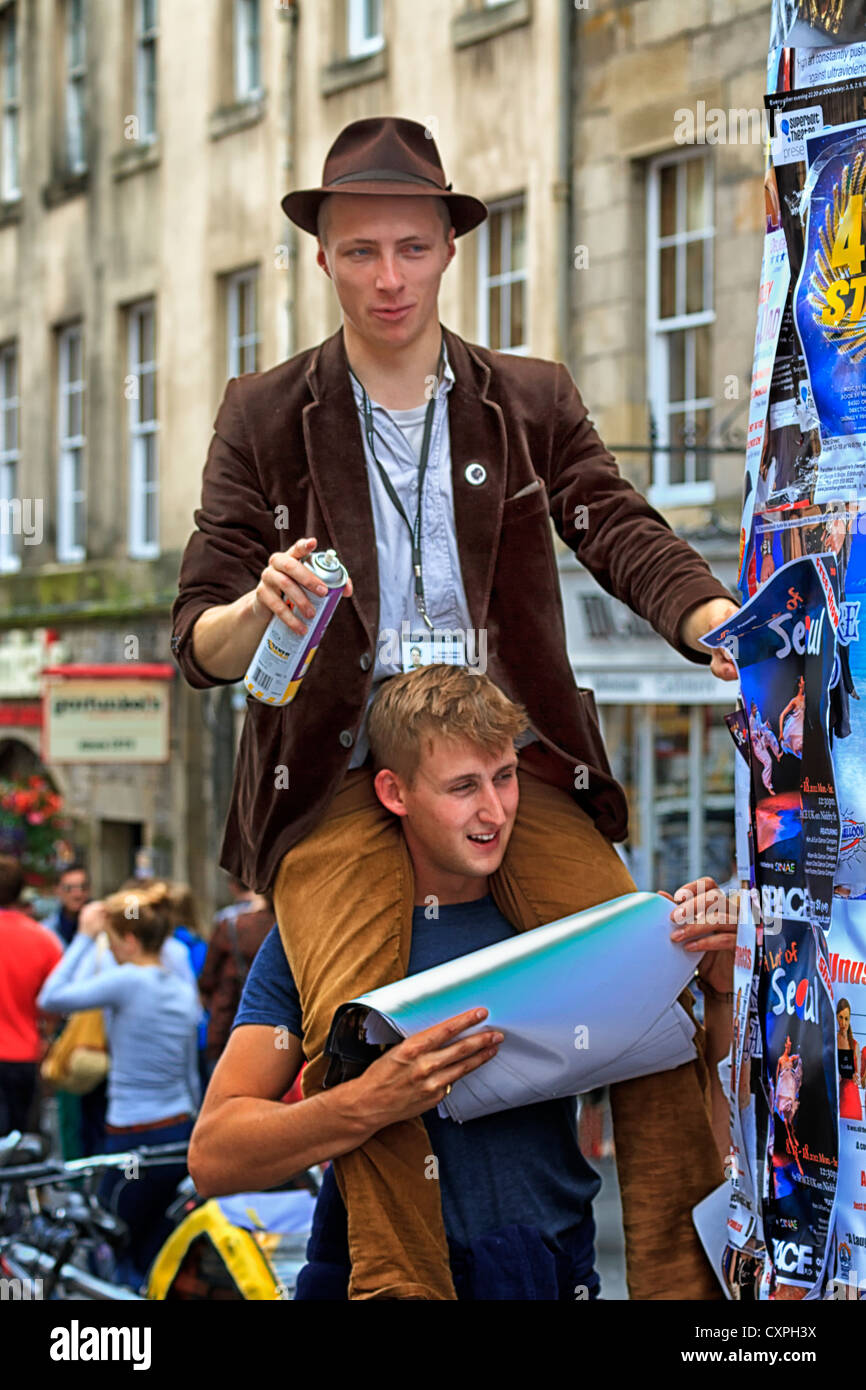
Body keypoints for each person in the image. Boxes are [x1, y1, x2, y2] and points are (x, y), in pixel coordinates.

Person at [171, 116, 740, 1300]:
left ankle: (697, 1305)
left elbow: (614, 523)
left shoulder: (524, 397)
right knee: (370, 1032)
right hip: (334, 779)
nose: (388, 277)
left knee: (648, 981)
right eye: (362, 250)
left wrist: (709, 623)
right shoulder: (264, 412)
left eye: (411, 248)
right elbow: (198, 636)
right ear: (321, 255)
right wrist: (254, 610)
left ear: (447, 251)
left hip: (503, 756)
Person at [190, 667, 736, 1299]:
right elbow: (214, 1157)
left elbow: (713, 1146)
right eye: (462, 787)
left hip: (554, 1272)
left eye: (504, 777)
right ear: (394, 792)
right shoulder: (320, 935)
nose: (493, 810)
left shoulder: (567, 921)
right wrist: (367, 1103)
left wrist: (715, 992)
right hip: (372, 1277)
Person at [37, 881, 202, 1288]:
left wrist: (81, 938)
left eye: (110, 942)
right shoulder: (183, 991)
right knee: (155, 1253)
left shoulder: (128, 981)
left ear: (129, 940)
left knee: (110, 1250)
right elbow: (190, 1074)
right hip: (177, 1135)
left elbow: (50, 998)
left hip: (132, 1138)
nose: (107, 950)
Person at [0, 855, 63, 1135]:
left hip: (21, 1055)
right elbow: (57, 1003)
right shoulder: (44, 940)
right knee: (21, 1147)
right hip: (24, 1057)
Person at [198, 890, 274, 1073]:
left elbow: (207, 980)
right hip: (280, 1033)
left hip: (229, 1024)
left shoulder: (232, 926)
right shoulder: (290, 928)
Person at [41, 861, 90, 947]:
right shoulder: (45, 931)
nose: (78, 894)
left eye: (83, 887)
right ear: (56, 890)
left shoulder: (101, 931)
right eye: (69, 888)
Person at [837, 997, 862, 1121]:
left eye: (846, 1018)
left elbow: (859, 1079)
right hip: (838, 1099)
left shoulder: (855, 1045)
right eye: (841, 1017)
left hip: (853, 1101)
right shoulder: (832, 1041)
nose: (843, 1023)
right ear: (836, 1017)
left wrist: (857, 1078)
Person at [778, 676, 805, 758]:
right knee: (800, 748)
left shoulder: (807, 697)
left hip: (802, 730)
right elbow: (782, 715)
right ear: (799, 684)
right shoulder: (794, 700)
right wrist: (781, 732)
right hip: (795, 730)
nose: (804, 682)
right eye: (802, 680)